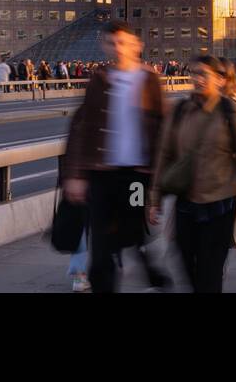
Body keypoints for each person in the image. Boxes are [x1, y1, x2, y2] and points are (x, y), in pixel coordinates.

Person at [60, 22, 168, 294]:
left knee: (132, 230)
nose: (117, 49)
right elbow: (80, 126)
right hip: (101, 175)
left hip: (135, 178)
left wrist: (156, 187)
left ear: (136, 45)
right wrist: (74, 174)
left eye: (123, 42)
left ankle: (147, 265)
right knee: (101, 246)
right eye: (112, 43)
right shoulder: (100, 78)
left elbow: (163, 133)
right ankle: (105, 279)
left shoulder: (149, 80)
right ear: (105, 45)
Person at [150, 54, 236, 293]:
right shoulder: (181, 110)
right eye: (194, 73)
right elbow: (164, 153)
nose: (197, 79)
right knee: (183, 259)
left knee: (210, 269)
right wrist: (154, 198)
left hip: (221, 200)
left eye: (204, 74)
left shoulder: (229, 110)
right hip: (186, 200)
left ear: (220, 79)